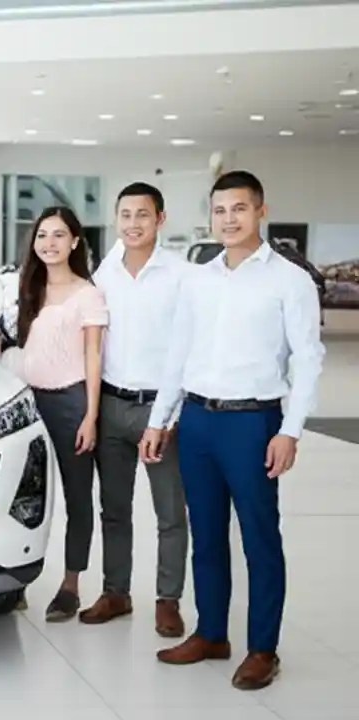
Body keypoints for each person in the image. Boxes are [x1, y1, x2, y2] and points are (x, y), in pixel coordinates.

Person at [144, 170, 325, 690]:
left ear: (261, 212)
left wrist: (290, 431)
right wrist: (161, 420)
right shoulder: (199, 278)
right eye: (220, 210)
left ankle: (263, 648)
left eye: (239, 209)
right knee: (206, 535)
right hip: (198, 421)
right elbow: (178, 353)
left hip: (253, 422)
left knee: (260, 538)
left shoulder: (288, 280)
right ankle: (212, 633)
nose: (229, 219)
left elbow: (308, 360)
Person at [80, 182, 190, 637]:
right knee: (114, 508)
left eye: (142, 215)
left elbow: (187, 351)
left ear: (160, 219)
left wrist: (166, 417)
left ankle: (168, 601)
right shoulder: (103, 274)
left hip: (159, 410)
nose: (132, 224)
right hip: (110, 404)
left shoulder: (182, 275)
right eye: (125, 215)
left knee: (170, 512)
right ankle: (116, 592)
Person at [13, 206, 108, 623]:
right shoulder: (27, 288)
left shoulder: (88, 293)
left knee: (77, 497)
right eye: (42, 235)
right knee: (21, 494)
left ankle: (70, 585)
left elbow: (94, 356)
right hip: (29, 404)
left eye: (58, 235)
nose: (48, 243)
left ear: (74, 241)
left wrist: (90, 415)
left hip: (71, 404)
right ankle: (13, 580)